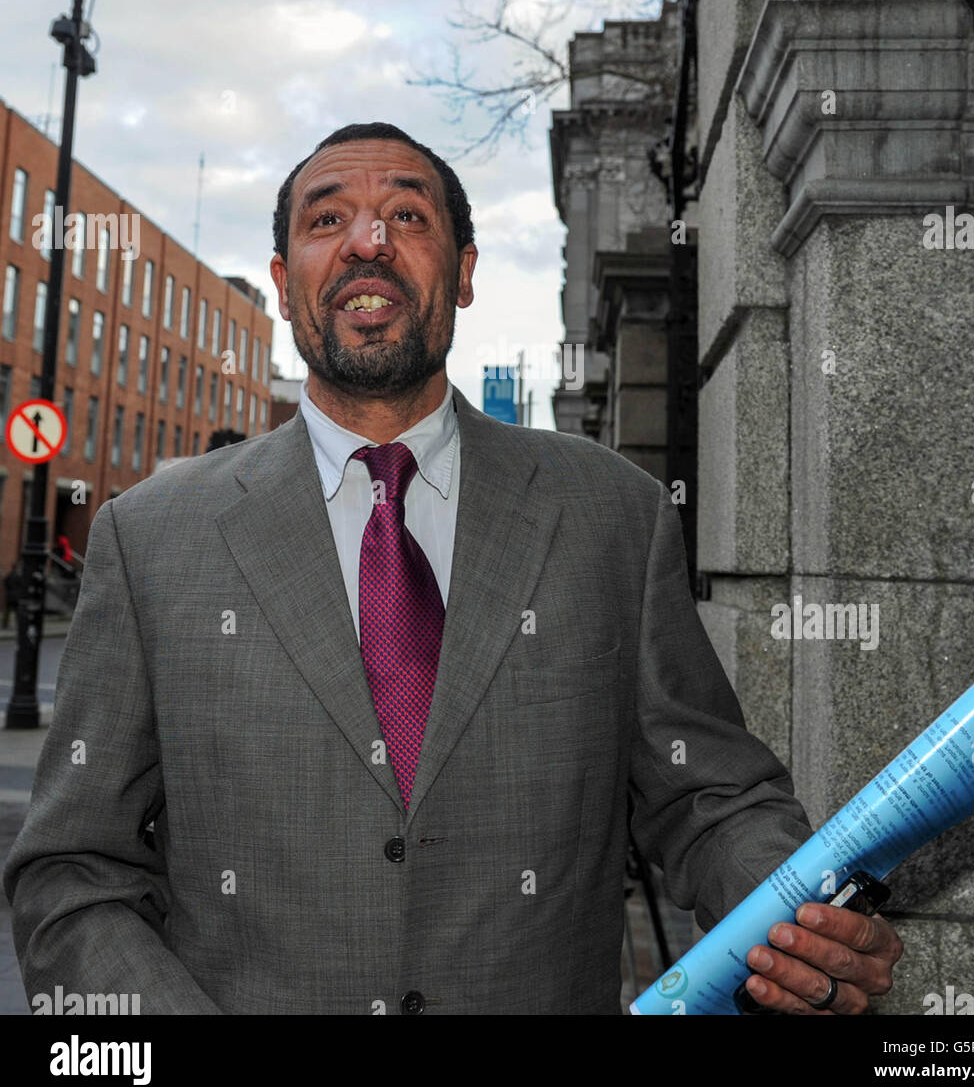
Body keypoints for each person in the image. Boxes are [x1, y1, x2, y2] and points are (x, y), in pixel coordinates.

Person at [3, 122, 902, 1015]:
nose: (368, 241)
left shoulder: (611, 515)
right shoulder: (151, 537)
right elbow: (74, 874)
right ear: (283, 285)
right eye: (326, 222)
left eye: (407, 214)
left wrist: (800, 917)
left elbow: (707, 796)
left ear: (464, 272)